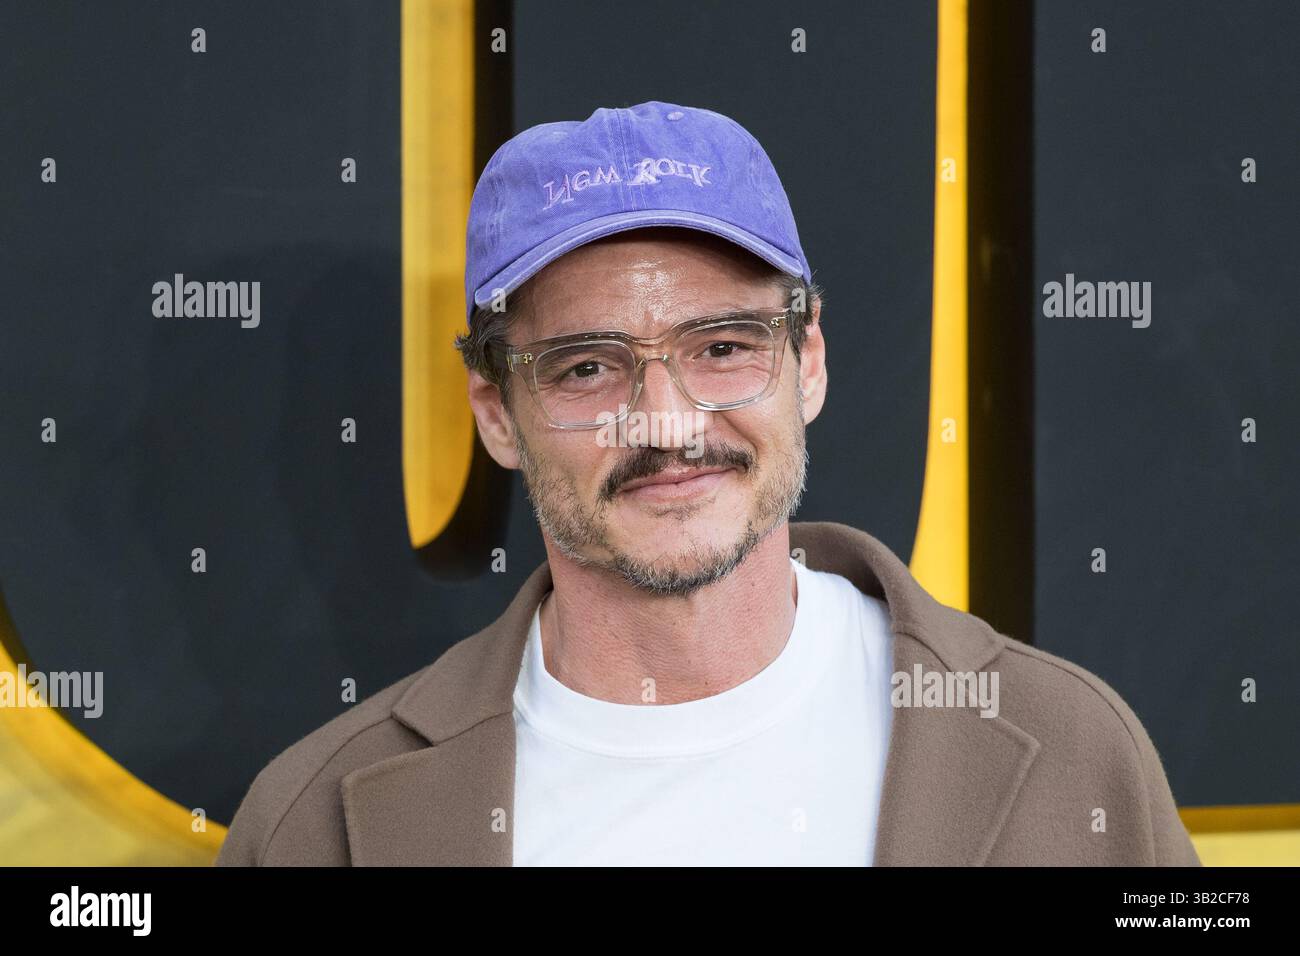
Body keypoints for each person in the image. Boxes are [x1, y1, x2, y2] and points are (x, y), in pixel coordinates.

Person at [216, 100, 1200, 866]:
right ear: (495, 412)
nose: (668, 421)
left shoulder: (1073, 746)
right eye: (586, 366)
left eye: (723, 347)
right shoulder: (313, 821)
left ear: (807, 362)